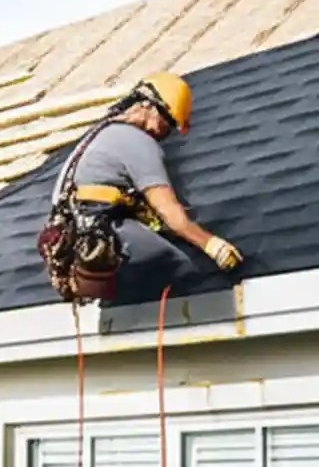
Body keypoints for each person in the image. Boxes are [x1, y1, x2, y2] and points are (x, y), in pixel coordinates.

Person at [47, 71, 242, 303]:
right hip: (103, 234)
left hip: (77, 244)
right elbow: (167, 210)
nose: (165, 132)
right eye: (167, 121)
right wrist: (211, 245)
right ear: (148, 106)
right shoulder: (136, 140)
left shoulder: (97, 138)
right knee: (182, 267)